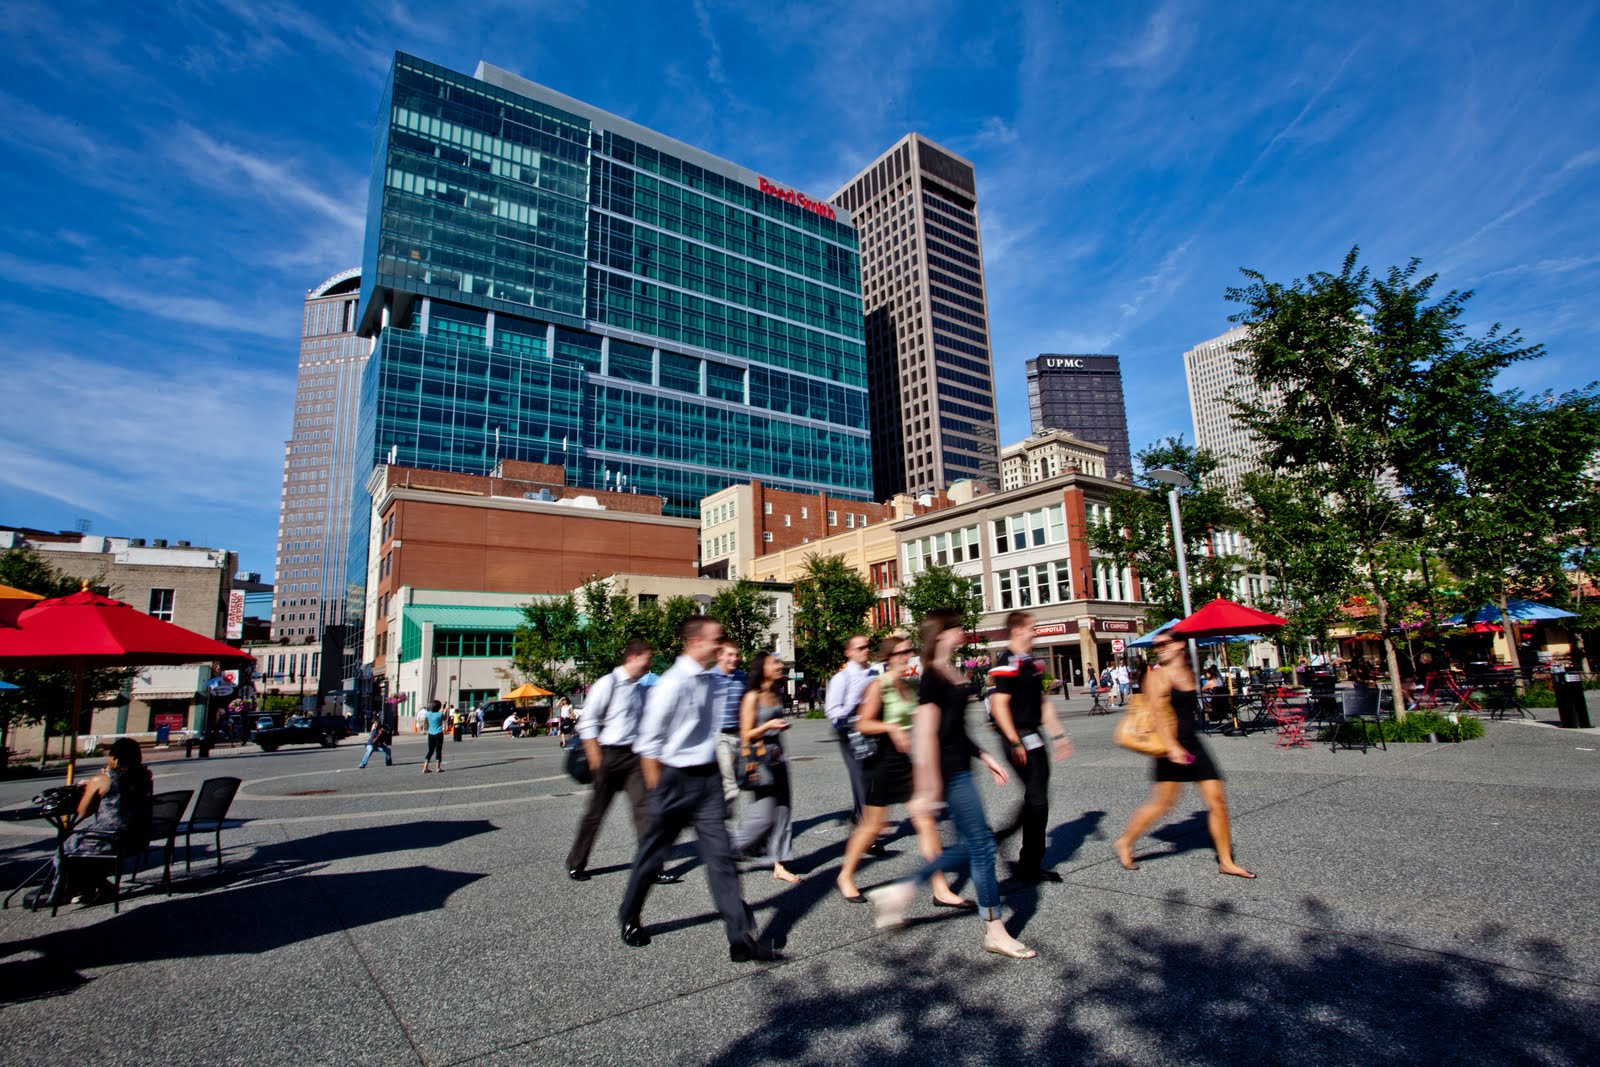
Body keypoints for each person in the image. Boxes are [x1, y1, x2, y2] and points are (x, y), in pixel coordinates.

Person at [868, 610, 1035, 960]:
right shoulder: (932, 676)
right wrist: (927, 788)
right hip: (949, 773)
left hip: (961, 766)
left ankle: (901, 891)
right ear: (942, 633)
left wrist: (984, 755)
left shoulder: (950, 670)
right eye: (957, 626)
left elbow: (953, 728)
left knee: (975, 846)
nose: (962, 630)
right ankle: (995, 930)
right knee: (983, 846)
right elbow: (928, 733)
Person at [618, 616, 773, 961]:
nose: (720, 645)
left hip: (708, 779)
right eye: (715, 640)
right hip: (673, 779)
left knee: (721, 857)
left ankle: (739, 937)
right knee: (652, 856)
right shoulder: (671, 684)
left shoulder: (712, 679)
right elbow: (648, 745)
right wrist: (658, 793)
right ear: (694, 642)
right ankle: (629, 915)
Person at [836, 636, 970, 908]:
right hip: (881, 763)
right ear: (889, 656)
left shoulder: (908, 685)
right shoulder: (879, 685)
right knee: (872, 826)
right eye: (901, 652)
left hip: (904, 761)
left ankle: (941, 889)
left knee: (925, 822)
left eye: (909, 650)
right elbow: (863, 724)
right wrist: (891, 727)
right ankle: (845, 875)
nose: (907, 655)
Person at [1114, 633, 1254, 879]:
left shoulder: (1189, 672)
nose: (1159, 648)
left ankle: (1226, 861)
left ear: (1180, 644)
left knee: (1217, 801)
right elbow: (1157, 714)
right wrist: (1173, 747)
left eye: (1164, 644)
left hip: (1194, 744)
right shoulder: (1157, 676)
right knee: (1162, 804)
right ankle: (1125, 841)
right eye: (1156, 645)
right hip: (1170, 746)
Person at [568, 639, 672, 883]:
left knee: (644, 811)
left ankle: (653, 867)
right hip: (608, 755)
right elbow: (588, 721)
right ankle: (576, 863)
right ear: (633, 657)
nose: (650, 663)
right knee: (596, 813)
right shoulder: (609, 683)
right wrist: (596, 759)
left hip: (634, 758)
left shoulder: (640, 689)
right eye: (647, 658)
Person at [988, 611, 1073, 883]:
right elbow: (999, 706)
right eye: (1031, 628)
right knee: (1037, 798)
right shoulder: (1007, 663)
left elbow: (1042, 704)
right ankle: (1027, 862)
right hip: (1018, 736)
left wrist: (1059, 736)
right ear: (1017, 630)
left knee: (1038, 797)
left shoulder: (1031, 664)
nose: (1035, 632)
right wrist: (1014, 740)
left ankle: (1021, 852)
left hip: (1034, 735)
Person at [49, 737, 153, 905]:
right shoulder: (145, 776)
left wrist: (94, 783)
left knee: (68, 848)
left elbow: (83, 812)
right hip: (137, 836)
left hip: (109, 837)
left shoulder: (102, 780)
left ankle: (67, 891)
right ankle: (98, 887)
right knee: (87, 845)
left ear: (115, 758)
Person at [729, 652, 800, 884]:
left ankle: (779, 864)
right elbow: (745, 734)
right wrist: (769, 725)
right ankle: (727, 849)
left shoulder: (775, 694)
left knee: (783, 811)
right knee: (764, 815)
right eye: (774, 663)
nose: (779, 665)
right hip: (760, 760)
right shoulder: (752, 696)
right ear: (762, 669)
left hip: (778, 757)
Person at [824, 633, 874, 824]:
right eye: (860, 648)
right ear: (849, 652)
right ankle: (864, 822)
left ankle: (862, 816)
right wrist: (854, 712)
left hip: (869, 727)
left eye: (867, 646)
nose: (866, 650)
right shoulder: (841, 678)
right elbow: (832, 710)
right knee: (859, 774)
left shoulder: (872, 673)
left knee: (871, 774)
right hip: (849, 730)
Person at [710, 641, 748, 814]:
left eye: (736, 655)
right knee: (730, 782)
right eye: (730, 654)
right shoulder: (710, 677)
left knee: (739, 777)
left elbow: (747, 705)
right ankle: (724, 821)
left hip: (738, 735)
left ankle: (715, 814)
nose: (734, 658)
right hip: (718, 735)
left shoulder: (742, 677)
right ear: (719, 656)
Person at [422, 699, 447, 773]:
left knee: (430, 751)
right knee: (438, 750)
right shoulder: (440, 714)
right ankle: (437, 767)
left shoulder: (428, 714)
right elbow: (445, 718)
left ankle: (425, 767)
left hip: (431, 733)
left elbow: (425, 717)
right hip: (438, 733)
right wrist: (445, 711)